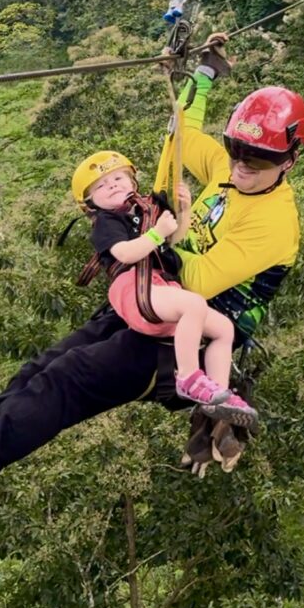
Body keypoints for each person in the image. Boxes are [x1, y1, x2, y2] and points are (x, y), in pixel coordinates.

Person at [0, 34, 304, 549]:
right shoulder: (231, 173)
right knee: (40, 369)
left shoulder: (275, 220)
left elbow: (201, 279)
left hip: (191, 337)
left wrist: (154, 235)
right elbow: (180, 136)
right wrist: (202, 76)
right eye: (236, 152)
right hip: (154, 298)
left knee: (66, 382)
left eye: (257, 160)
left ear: (289, 161)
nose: (240, 166)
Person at [72, 149, 258, 426]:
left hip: (159, 287)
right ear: (90, 203)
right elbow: (124, 253)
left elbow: (175, 238)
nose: (111, 185)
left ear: (133, 182)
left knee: (223, 329)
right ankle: (189, 378)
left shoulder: (146, 211)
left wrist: (184, 209)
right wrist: (156, 232)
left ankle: (216, 393)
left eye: (118, 178)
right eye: (101, 185)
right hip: (133, 287)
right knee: (193, 304)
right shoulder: (107, 222)